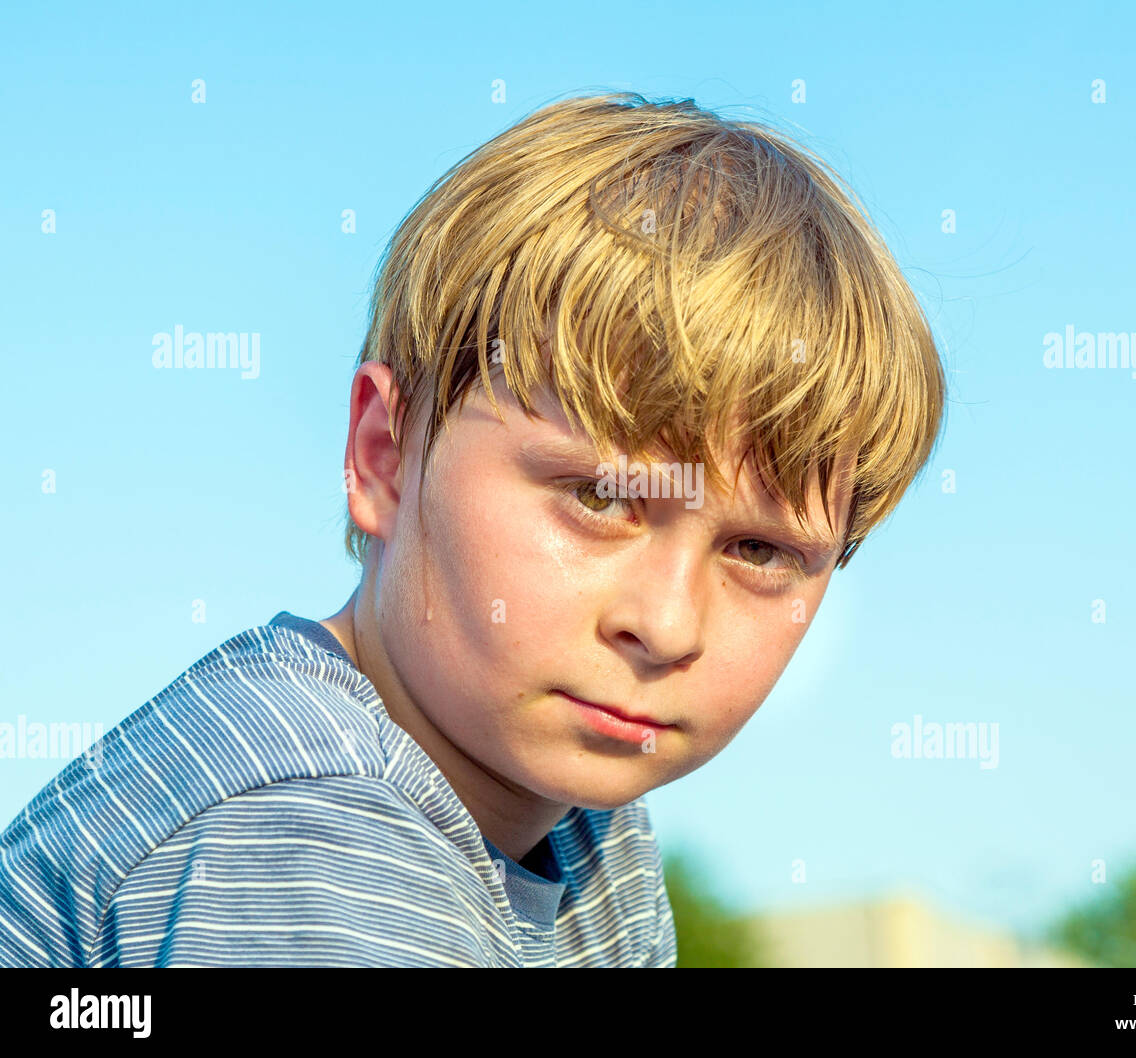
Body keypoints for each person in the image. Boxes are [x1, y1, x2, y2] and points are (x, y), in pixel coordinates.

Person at [0, 91, 946, 967]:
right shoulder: (314, 832)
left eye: (760, 551)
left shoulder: (581, 827)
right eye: (599, 498)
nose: (665, 626)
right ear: (383, 455)